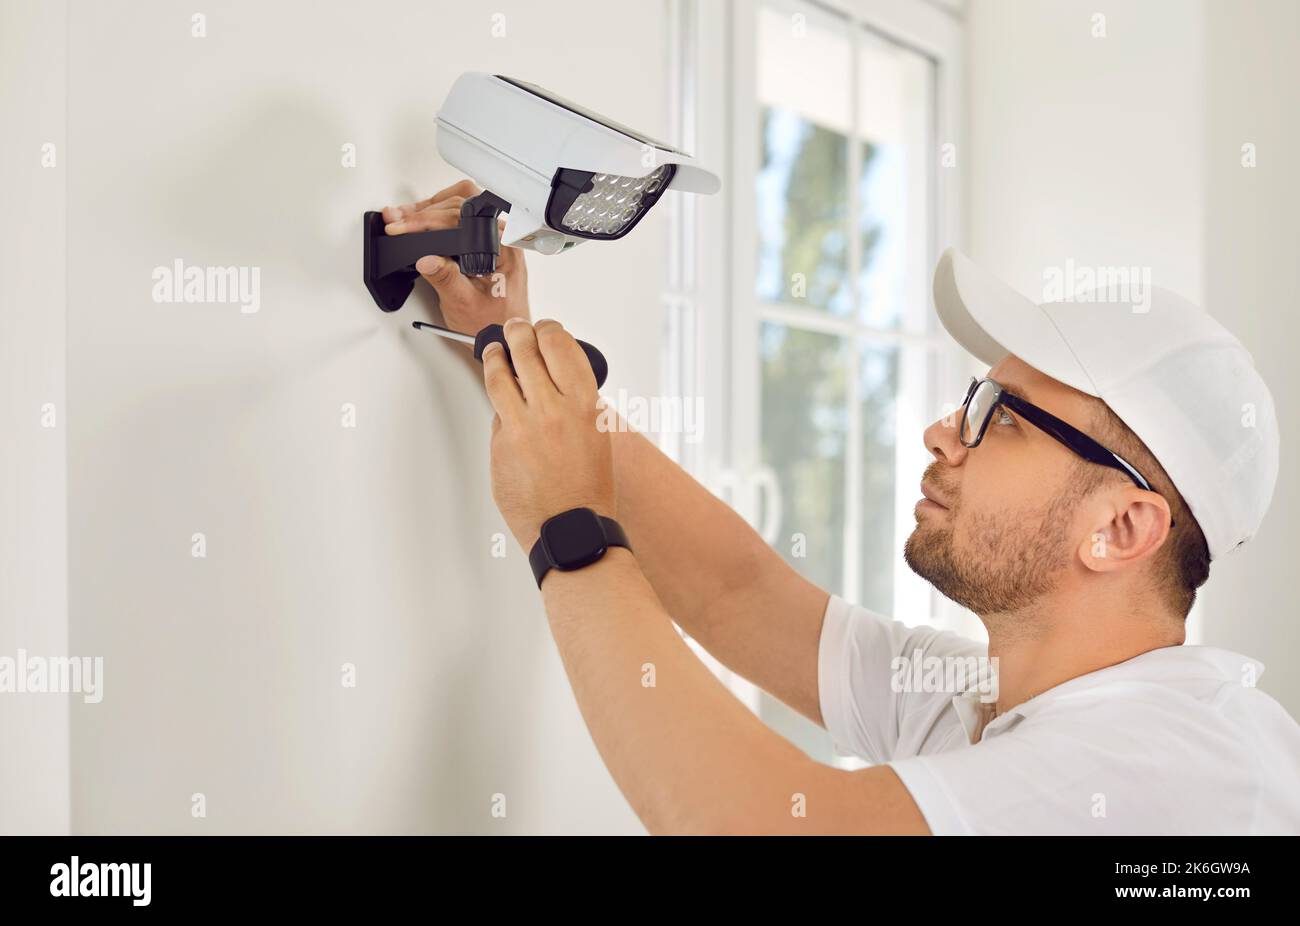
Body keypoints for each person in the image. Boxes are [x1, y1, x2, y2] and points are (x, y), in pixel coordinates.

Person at [380, 181, 1300, 835]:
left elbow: (742, 824)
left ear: (1122, 528)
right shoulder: (995, 698)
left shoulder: (1174, 767)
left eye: (1000, 419)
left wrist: (568, 531)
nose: (945, 431)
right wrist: (508, 347)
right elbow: (744, 596)